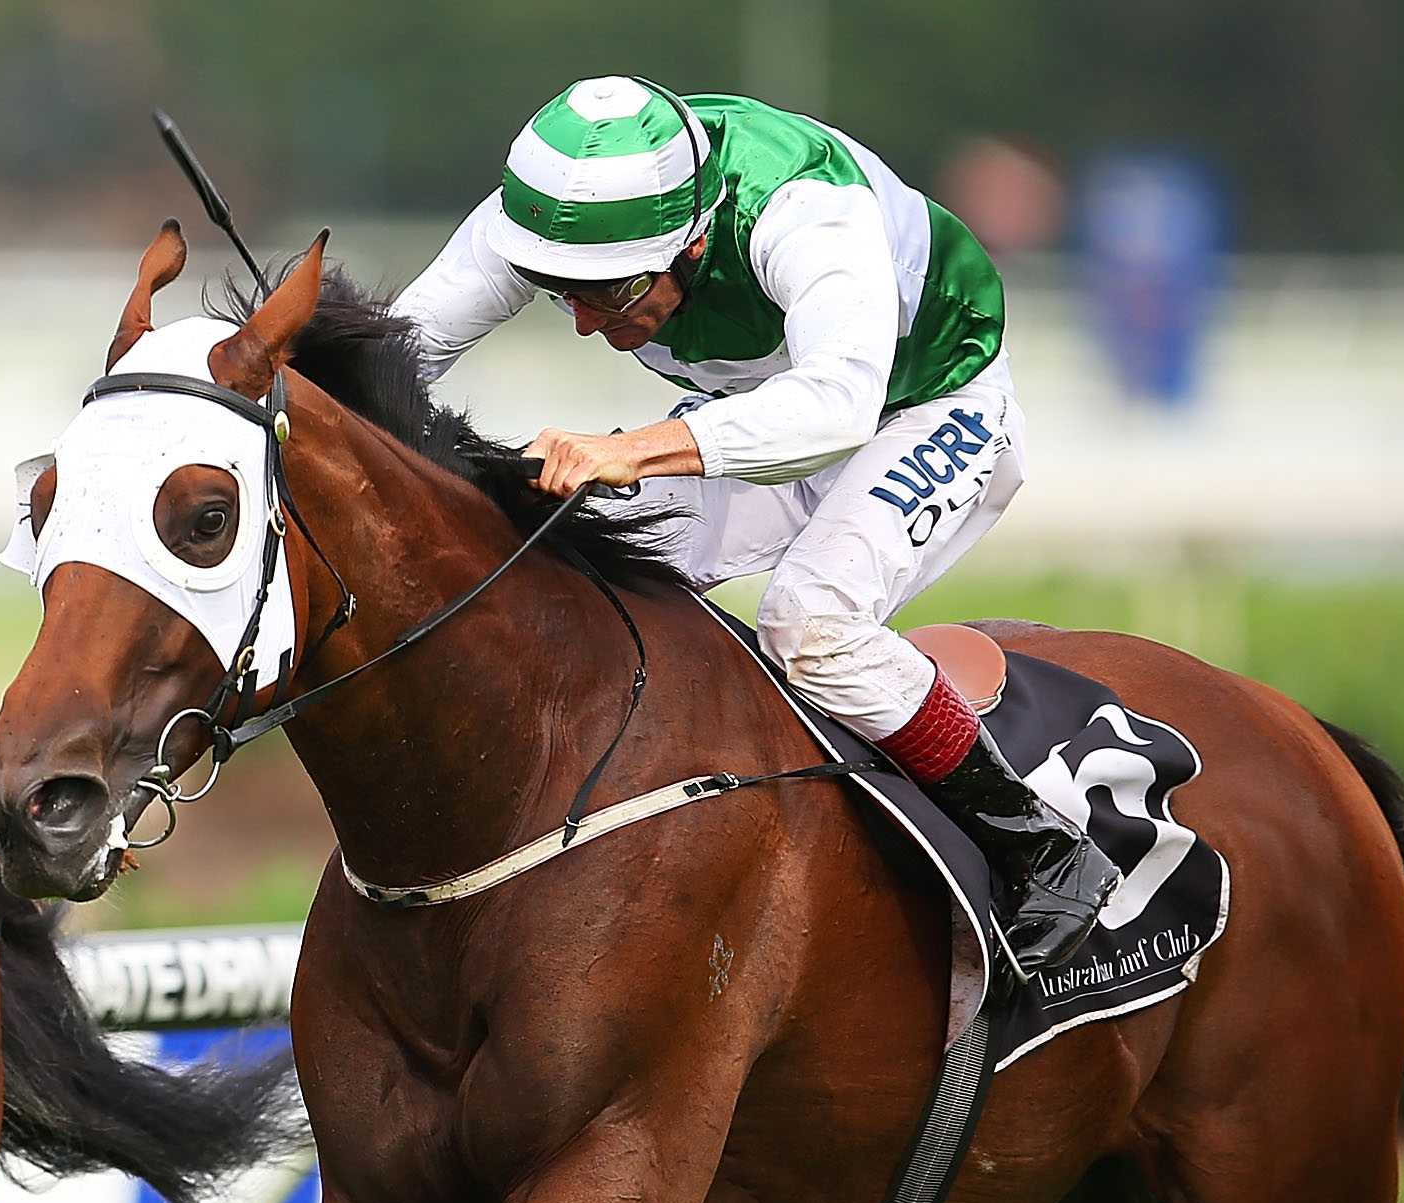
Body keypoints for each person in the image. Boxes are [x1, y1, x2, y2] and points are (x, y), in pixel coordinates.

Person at [393, 76, 1118, 975]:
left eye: (610, 293)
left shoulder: (803, 211)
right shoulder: (555, 218)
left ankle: (1045, 852)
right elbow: (392, 351)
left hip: (923, 405)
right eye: (557, 292)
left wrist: (634, 450)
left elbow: (837, 409)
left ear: (694, 239)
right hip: (766, 410)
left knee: (811, 621)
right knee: (554, 552)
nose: (583, 322)